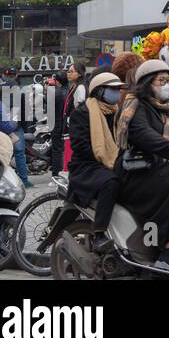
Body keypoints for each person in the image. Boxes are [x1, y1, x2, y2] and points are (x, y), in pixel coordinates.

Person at [114, 60, 169, 272]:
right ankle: (167, 251)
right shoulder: (135, 105)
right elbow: (142, 134)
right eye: (161, 81)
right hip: (137, 172)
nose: (166, 85)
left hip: (159, 167)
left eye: (168, 80)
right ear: (147, 83)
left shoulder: (167, 108)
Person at [67, 72, 124, 251]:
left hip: (111, 162)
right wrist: (108, 161)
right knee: (111, 182)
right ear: (99, 91)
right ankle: (99, 232)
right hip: (87, 166)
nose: (117, 93)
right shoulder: (83, 113)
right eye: (113, 89)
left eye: (118, 89)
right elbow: (80, 146)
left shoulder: (117, 112)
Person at [51, 63, 87, 174]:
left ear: (79, 73)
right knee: (67, 152)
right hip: (69, 125)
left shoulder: (80, 87)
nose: (69, 74)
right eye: (68, 71)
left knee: (69, 152)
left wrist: (71, 120)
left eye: (71, 71)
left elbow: (79, 107)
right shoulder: (75, 86)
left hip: (73, 126)